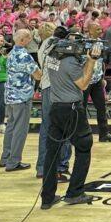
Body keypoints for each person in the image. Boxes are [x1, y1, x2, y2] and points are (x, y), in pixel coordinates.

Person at [40, 32, 102, 210]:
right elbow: (83, 84)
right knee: (84, 146)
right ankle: (74, 193)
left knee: (52, 153)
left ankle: (47, 197)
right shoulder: (69, 62)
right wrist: (91, 60)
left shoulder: (52, 56)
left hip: (55, 108)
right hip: (72, 109)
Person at [0, 29, 42, 172]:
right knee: (20, 130)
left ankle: (5, 158)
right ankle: (13, 162)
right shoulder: (25, 56)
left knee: (11, 127)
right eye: (29, 38)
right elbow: (37, 75)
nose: (30, 40)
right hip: (22, 97)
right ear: (23, 40)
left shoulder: (11, 53)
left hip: (10, 95)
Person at [37, 24, 71, 182]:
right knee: (61, 128)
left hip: (46, 88)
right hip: (57, 89)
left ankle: (43, 167)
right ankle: (58, 167)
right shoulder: (56, 44)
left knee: (46, 128)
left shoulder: (42, 45)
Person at [83, 23, 111, 143]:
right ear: (90, 31)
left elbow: (102, 62)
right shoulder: (84, 43)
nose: (101, 30)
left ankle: (104, 134)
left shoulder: (101, 43)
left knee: (102, 107)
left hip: (97, 80)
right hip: (85, 81)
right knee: (81, 108)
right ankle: (82, 134)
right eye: (97, 29)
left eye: (100, 28)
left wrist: (103, 77)